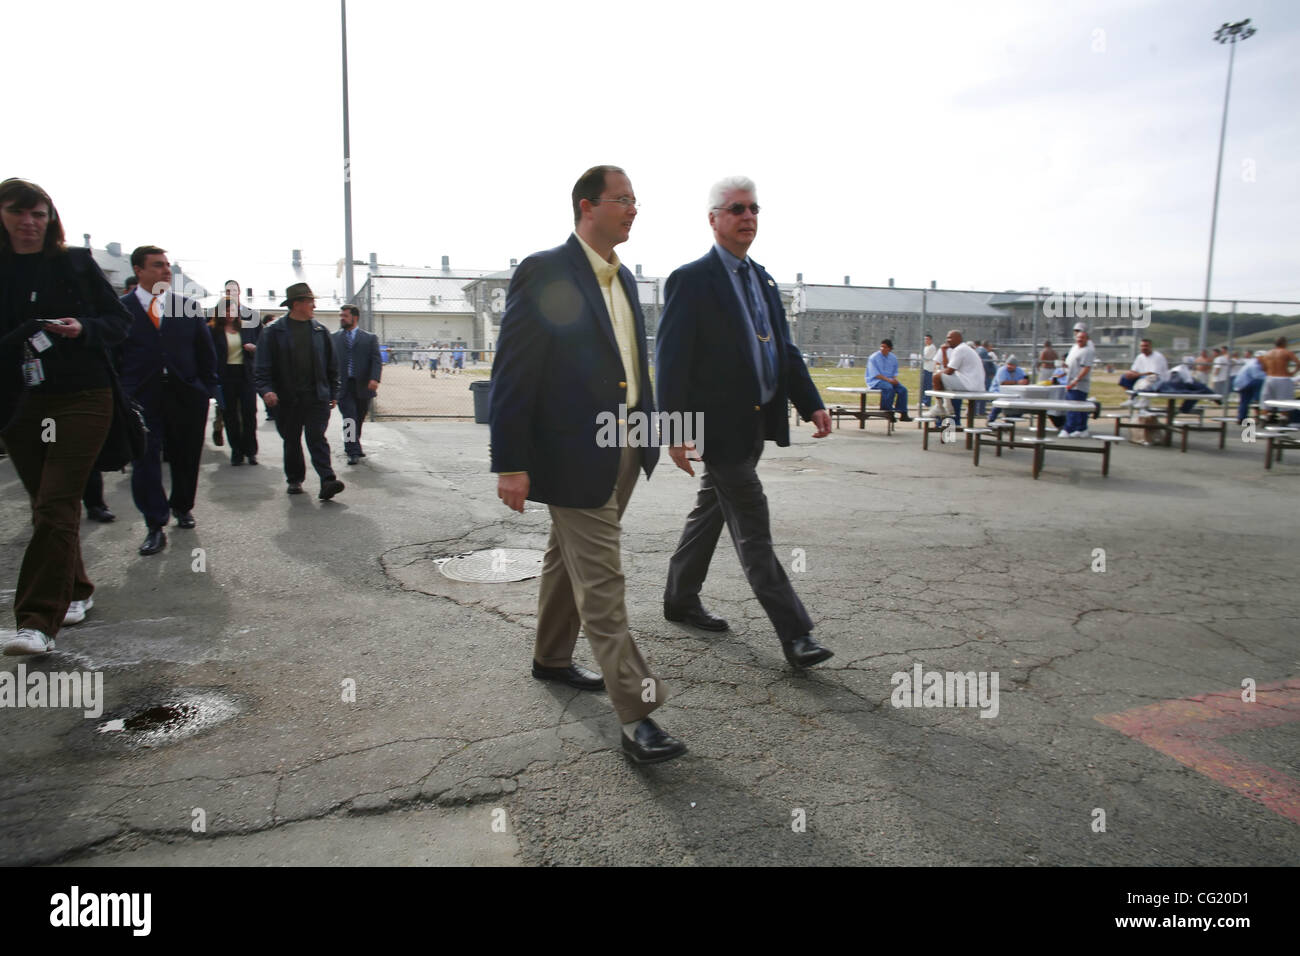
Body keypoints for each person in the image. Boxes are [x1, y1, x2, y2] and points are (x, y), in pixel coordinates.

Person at [490, 165, 678, 764]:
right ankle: (640, 712)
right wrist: (512, 462)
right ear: (586, 206)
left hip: (623, 446)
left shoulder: (622, 282)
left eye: (635, 200)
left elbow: (633, 372)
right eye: (622, 200)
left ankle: (550, 657)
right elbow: (514, 373)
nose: (633, 210)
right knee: (603, 579)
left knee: (564, 557)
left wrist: (658, 434)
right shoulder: (547, 270)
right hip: (573, 452)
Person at [657, 174, 834, 673]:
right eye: (736, 209)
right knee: (753, 525)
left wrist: (811, 401)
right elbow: (670, 361)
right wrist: (673, 428)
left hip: (756, 424)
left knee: (710, 511)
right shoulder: (691, 280)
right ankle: (795, 634)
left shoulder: (764, 280)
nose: (747, 218)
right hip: (719, 431)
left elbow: (785, 350)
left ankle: (680, 598)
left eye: (754, 209)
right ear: (713, 219)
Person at [0, 178, 132, 654]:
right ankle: (74, 588)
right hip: (21, 401)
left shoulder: (75, 262)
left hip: (83, 395)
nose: (30, 223)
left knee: (56, 503)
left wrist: (83, 328)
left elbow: (120, 322)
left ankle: (36, 622)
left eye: (39, 214)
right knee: (46, 506)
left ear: (51, 218)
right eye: (19, 213)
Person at [118, 246, 220, 556]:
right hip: (142, 397)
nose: (166, 271)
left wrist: (204, 388)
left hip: (185, 394)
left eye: (167, 266)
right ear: (139, 270)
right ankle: (154, 523)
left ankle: (182, 506)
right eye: (158, 265)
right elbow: (113, 355)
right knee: (145, 459)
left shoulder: (186, 307)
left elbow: (206, 352)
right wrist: (121, 393)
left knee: (185, 455)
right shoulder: (120, 310)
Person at [254, 283, 345, 499]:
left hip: (316, 397)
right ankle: (295, 479)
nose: (314, 305)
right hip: (287, 399)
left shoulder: (320, 331)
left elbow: (333, 366)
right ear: (296, 304)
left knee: (316, 437)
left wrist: (334, 392)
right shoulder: (273, 332)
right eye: (309, 301)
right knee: (292, 439)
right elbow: (261, 367)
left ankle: (327, 480)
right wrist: (266, 390)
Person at [210, 279, 260, 466]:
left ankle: (251, 451)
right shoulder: (214, 330)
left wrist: (254, 348)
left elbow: (261, 344)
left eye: (233, 311)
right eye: (227, 311)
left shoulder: (247, 324)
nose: (231, 314)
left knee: (249, 413)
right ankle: (236, 451)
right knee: (230, 415)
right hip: (226, 375)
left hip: (245, 373)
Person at [332, 305, 381, 465]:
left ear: (355, 317)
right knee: (349, 418)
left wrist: (375, 379)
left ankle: (354, 444)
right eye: (341, 316)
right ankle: (351, 450)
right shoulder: (334, 338)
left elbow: (376, 360)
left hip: (363, 386)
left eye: (345, 316)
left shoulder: (369, 338)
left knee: (359, 418)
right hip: (343, 386)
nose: (342, 319)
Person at [932, 329, 984, 423]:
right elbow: (948, 367)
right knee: (940, 378)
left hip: (969, 384)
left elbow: (949, 371)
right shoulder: (962, 349)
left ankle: (940, 407)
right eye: (947, 338)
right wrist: (944, 351)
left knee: (936, 377)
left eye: (950, 337)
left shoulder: (960, 349)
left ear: (958, 338)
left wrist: (939, 373)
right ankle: (945, 408)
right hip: (972, 383)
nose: (947, 340)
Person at [1061, 322, 1095, 438]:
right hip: (1069, 380)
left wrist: (1076, 380)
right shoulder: (1074, 347)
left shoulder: (1088, 349)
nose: (1078, 337)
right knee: (1078, 407)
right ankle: (1081, 428)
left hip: (1078, 384)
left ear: (1086, 337)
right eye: (1076, 333)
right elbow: (1069, 362)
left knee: (1074, 407)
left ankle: (1068, 429)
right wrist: (1064, 368)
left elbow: (1086, 367)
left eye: (1081, 335)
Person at [865, 338, 911, 421]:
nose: (882, 349)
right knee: (888, 388)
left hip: (889, 380)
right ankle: (887, 411)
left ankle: (903, 412)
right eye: (881, 347)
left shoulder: (893, 358)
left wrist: (894, 380)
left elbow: (894, 373)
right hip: (876, 381)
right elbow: (875, 374)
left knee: (903, 390)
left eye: (885, 347)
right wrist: (889, 380)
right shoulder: (873, 357)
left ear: (890, 349)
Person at [1118, 339, 1170, 411]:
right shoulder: (1140, 357)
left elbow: (1153, 373)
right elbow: (1134, 370)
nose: (1144, 348)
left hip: (1159, 380)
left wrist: (1136, 375)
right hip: (1143, 377)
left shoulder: (1157, 357)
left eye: (1146, 346)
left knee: (1149, 378)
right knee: (1124, 378)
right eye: (1142, 346)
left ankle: (1143, 401)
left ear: (1151, 346)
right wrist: (1130, 373)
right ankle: (1132, 398)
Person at [1259, 337, 1300, 423]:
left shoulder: (1267, 354)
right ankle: (1283, 417)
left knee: (1266, 399)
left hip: (1269, 378)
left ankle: (1264, 416)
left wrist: (1268, 371)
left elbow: (1263, 367)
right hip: (1283, 378)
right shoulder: (1286, 352)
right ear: (1284, 343)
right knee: (1284, 400)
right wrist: (1292, 373)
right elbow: (1298, 363)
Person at [987, 355, 1028, 423]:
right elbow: (1003, 383)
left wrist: (1026, 380)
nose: (1009, 366)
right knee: (1000, 402)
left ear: (1015, 366)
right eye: (1008, 364)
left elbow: (1025, 379)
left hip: (1013, 393)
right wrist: (1017, 382)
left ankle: (1010, 420)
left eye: (1011, 365)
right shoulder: (1002, 370)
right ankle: (990, 419)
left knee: (1022, 404)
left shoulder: (1019, 371)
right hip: (998, 391)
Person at [1232, 352, 1266, 424]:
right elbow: (1259, 377)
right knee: (1259, 383)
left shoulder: (1253, 362)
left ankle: (1242, 418)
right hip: (1244, 384)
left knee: (1244, 401)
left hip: (1243, 383)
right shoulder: (1254, 365)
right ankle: (1258, 400)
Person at [920, 333, 937, 409]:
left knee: (928, 385)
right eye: (925, 339)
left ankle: (927, 401)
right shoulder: (926, 347)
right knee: (924, 385)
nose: (925, 341)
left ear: (930, 340)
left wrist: (922, 357)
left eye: (927, 339)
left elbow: (925, 357)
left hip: (929, 368)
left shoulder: (932, 347)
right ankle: (924, 400)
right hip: (924, 367)